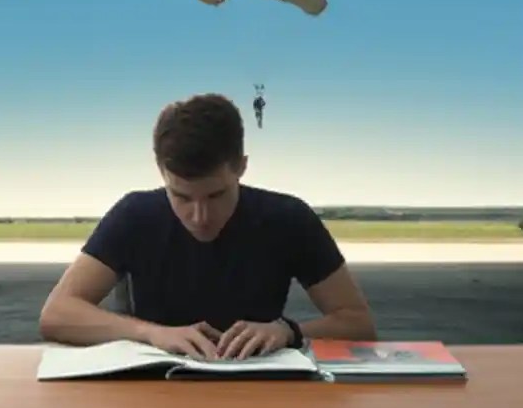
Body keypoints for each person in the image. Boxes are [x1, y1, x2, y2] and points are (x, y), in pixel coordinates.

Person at [39, 93, 376, 360]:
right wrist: (153, 333)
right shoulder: (135, 214)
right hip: (154, 394)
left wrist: (289, 332)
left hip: (257, 397)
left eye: (216, 195)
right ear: (161, 172)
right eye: (182, 197)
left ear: (242, 167)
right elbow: (57, 314)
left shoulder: (289, 218)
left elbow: (358, 323)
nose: (199, 216)